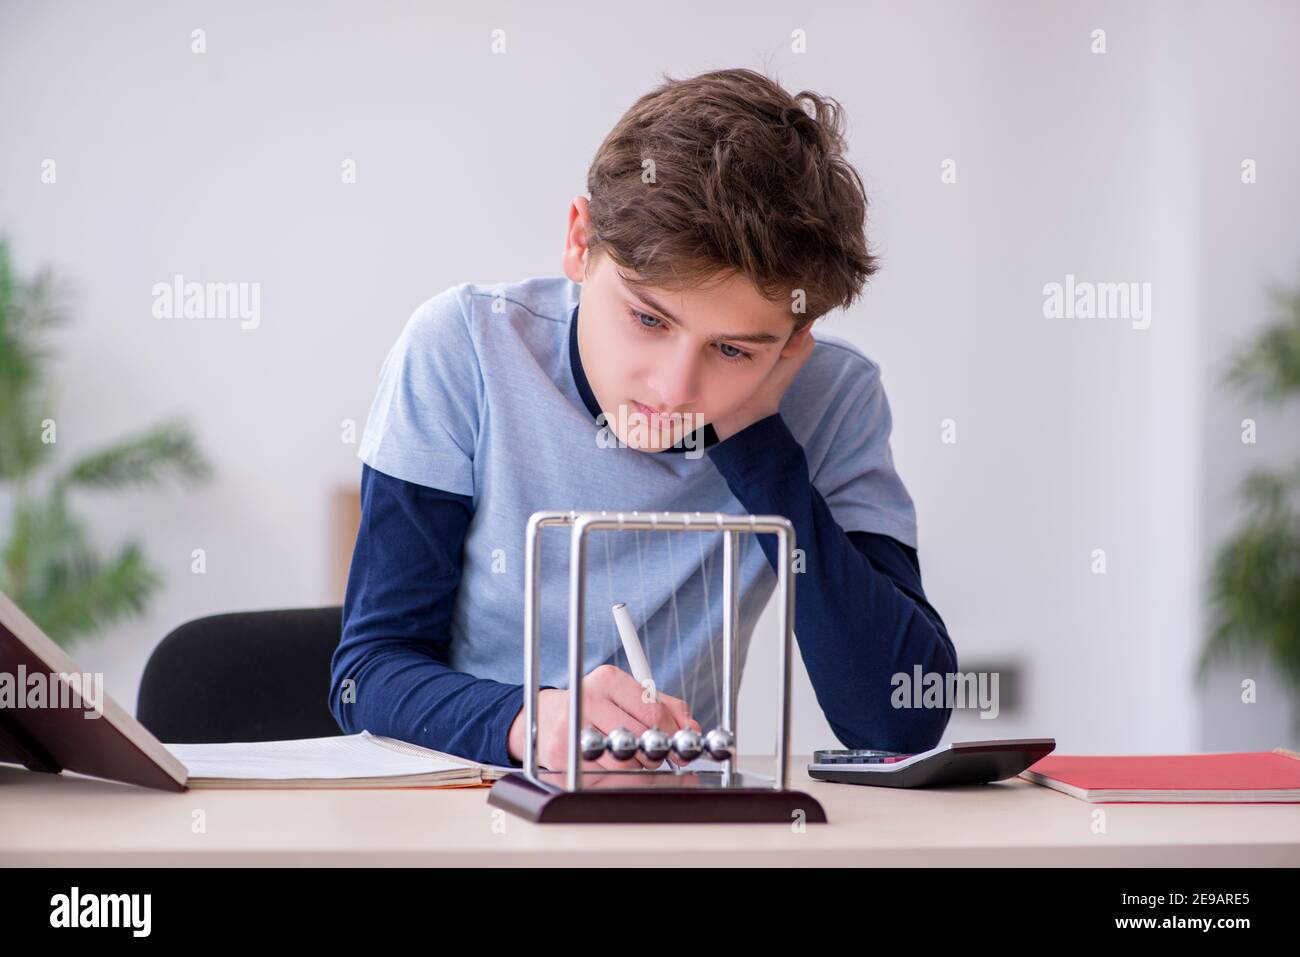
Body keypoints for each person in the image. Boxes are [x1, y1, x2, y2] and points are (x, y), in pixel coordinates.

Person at [328, 67, 957, 772]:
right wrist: (531, 720)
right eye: (647, 317)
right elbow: (365, 676)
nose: (673, 387)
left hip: (677, 820)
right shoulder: (462, 348)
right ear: (579, 241)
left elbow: (901, 715)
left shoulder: (833, 397)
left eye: (732, 349)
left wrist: (757, 437)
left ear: (790, 346)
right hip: (468, 803)